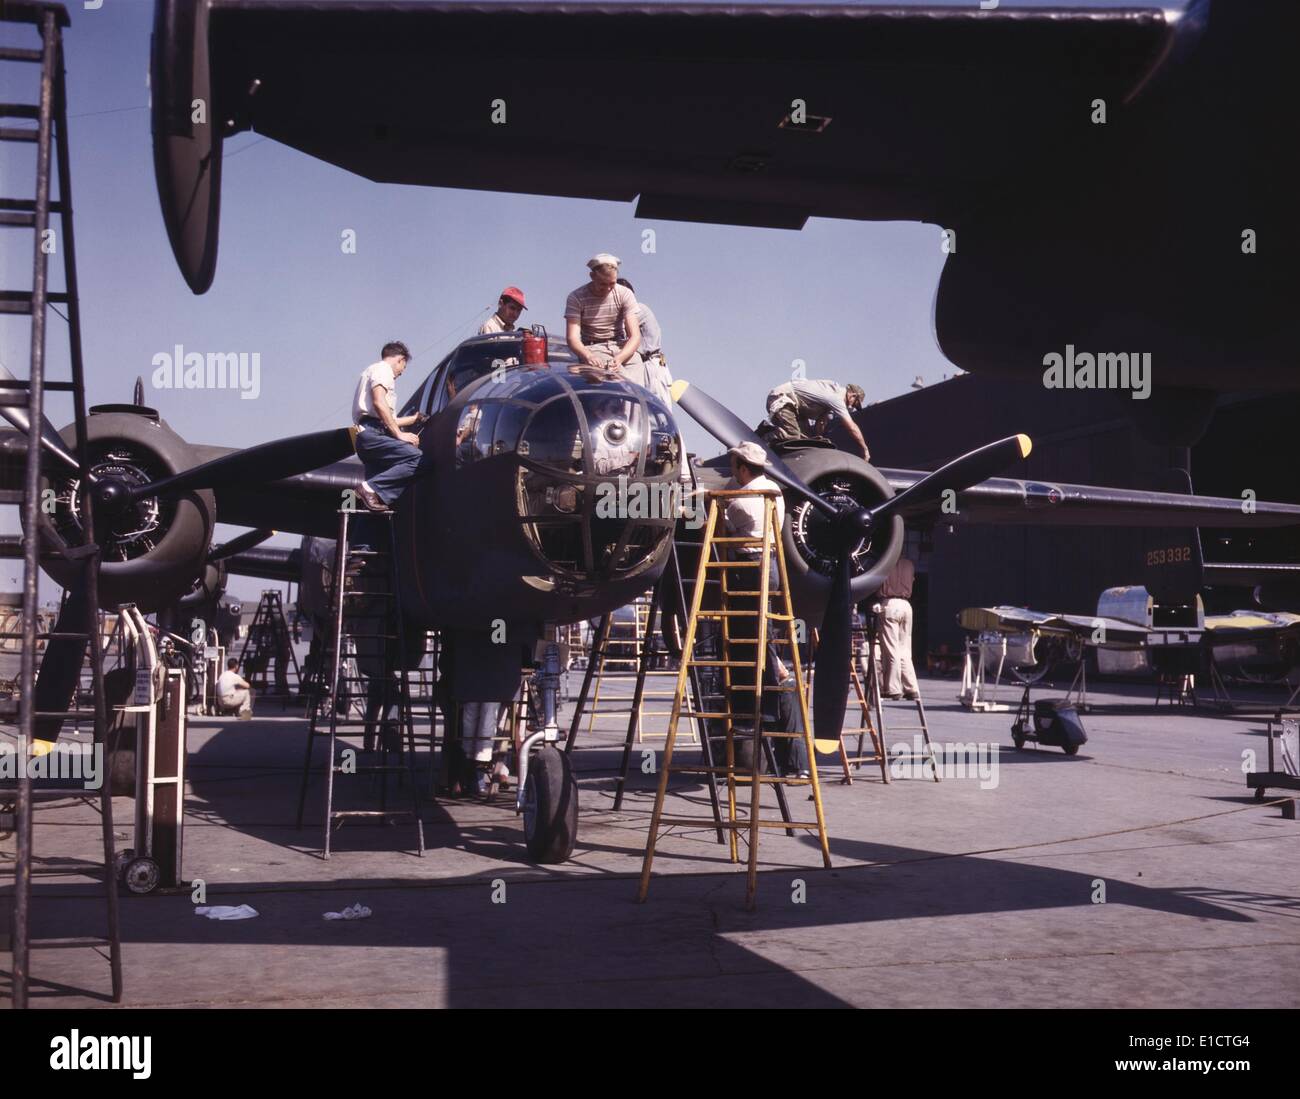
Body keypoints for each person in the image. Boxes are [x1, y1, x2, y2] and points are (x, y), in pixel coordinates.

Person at [720, 441, 808, 778]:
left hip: (749, 567)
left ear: (743, 468)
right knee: (763, 641)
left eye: (734, 467)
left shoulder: (743, 500)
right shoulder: (773, 491)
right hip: (769, 565)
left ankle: (757, 711)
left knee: (756, 650)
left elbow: (721, 521)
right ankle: (793, 760)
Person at [352, 341, 432, 512]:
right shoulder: (383, 369)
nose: (400, 373)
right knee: (418, 460)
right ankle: (369, 489)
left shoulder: (372, 371)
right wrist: (399, 435)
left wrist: (414, 419)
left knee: (373, 505)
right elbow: (379, 402)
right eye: (403, 367)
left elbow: (385, 417)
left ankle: (364, 536)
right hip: (374, 434)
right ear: (400, 360)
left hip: (369, 434)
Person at [564, 253, 644, 386]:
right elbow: (573, 338)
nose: (607, 289)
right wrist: (588, 356)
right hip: (594, 349)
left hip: (620, 347)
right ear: (592, 276)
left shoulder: (625, 294)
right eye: (602, 284)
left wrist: (619, 358)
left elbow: (635, 336)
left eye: (611, 283)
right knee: (623, 381)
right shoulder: (576, 298)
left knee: (638, 384)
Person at [765, 378, 870, 459]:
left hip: (795, 408)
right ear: (852, 395)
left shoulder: (831, 397)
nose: (851, 407)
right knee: (792, 435)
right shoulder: (836, 398)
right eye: (854, 404)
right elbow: (851, 427)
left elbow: (821, 422)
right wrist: (864, 448)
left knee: (804, 441)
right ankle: (764, 437)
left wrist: (817, 439)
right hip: (782, 398)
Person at [614, 277, 672, 405]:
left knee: (656, 408)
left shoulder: (638, 309)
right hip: (646, 365)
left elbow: (618, 330)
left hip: (650, 366)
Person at [878, 552, 919, 700]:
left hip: (890, 604)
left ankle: (893, 688)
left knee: (891, 649)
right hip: (906, 605)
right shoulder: (909, 564)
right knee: (905, 650)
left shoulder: (885, 562)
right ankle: (911, 687)